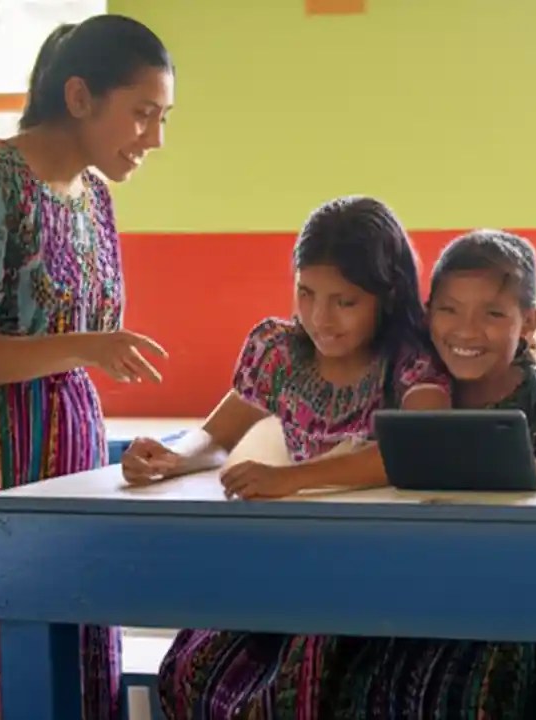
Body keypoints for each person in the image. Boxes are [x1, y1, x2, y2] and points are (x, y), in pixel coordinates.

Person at [0, 15, 173, 719]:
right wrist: (88, 347)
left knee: (75, 631)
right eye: (142, 113)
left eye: (163, 118)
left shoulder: (95, 198)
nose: (154, 138)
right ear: (79, 97)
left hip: (65, 440)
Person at [144, 196, 451, 718]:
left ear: (388, 293)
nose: (319, 318)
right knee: (193, 671)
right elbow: (215, 435)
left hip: (383, 571)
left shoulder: (412, 361)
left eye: (344, 301)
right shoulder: (278, 352)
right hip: (290, 562)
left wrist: (292, 479)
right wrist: (172, 458)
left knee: (307, 686)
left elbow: (419, 451)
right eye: (306, 293)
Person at [328, 229, 536, 718]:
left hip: (515, 609)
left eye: (493, 314)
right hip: (408, 597)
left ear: (529, 322)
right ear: (427, 314)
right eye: (449, 309)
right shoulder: (407, 395)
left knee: (460, 699)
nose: (466, 331)